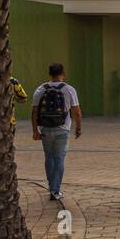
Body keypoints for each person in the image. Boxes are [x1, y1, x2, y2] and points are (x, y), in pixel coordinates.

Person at [31, 63, 81, 202]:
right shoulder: (69, 89)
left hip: (45, 129)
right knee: (59, 158)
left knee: (49, 157)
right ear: (63, 73)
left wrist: (35, 130)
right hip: (63, 129)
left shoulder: (41, 89)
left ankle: (51, 186)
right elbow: (76, 111)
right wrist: (78, 128)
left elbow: (34, 112)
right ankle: (55, 190)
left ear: (49, 74)